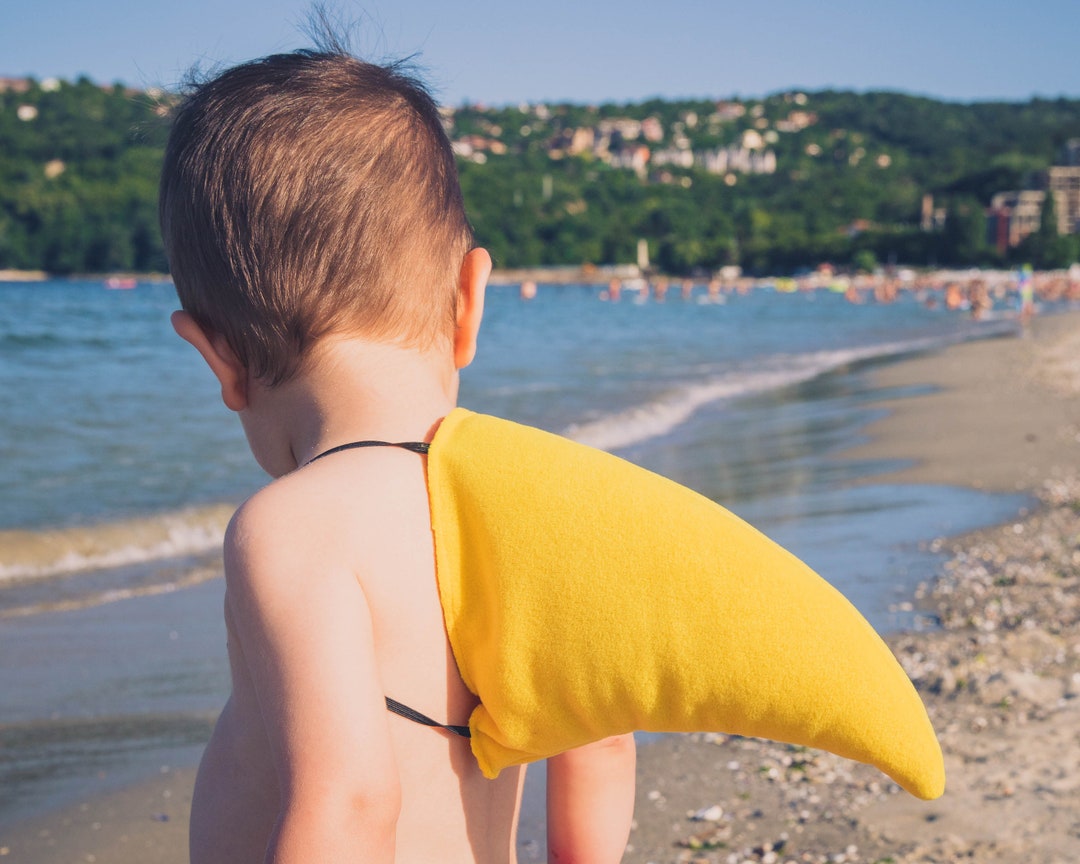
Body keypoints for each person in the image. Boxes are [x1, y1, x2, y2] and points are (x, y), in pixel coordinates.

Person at [159, 43, 636, 864]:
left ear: (219, 358)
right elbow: (599, 742)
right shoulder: (535, 499)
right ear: (469, 301)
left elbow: (350, 803)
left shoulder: (292, 528)